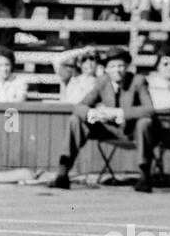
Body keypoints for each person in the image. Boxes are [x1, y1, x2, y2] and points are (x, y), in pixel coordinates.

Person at [50, 48, 159, 192]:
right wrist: (92, 113)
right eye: (112, 66)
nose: (117, 70)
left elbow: (149, 109)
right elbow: (80, 106)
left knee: (145, 122)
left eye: (120, 66)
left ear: (127, 67)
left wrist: (118, 112)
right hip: (108, 129)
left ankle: (145, 176)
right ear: (106, 69)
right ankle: (63, 173)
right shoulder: (103, 81)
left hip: (131, 131)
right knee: (75, 120)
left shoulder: (138, 80)